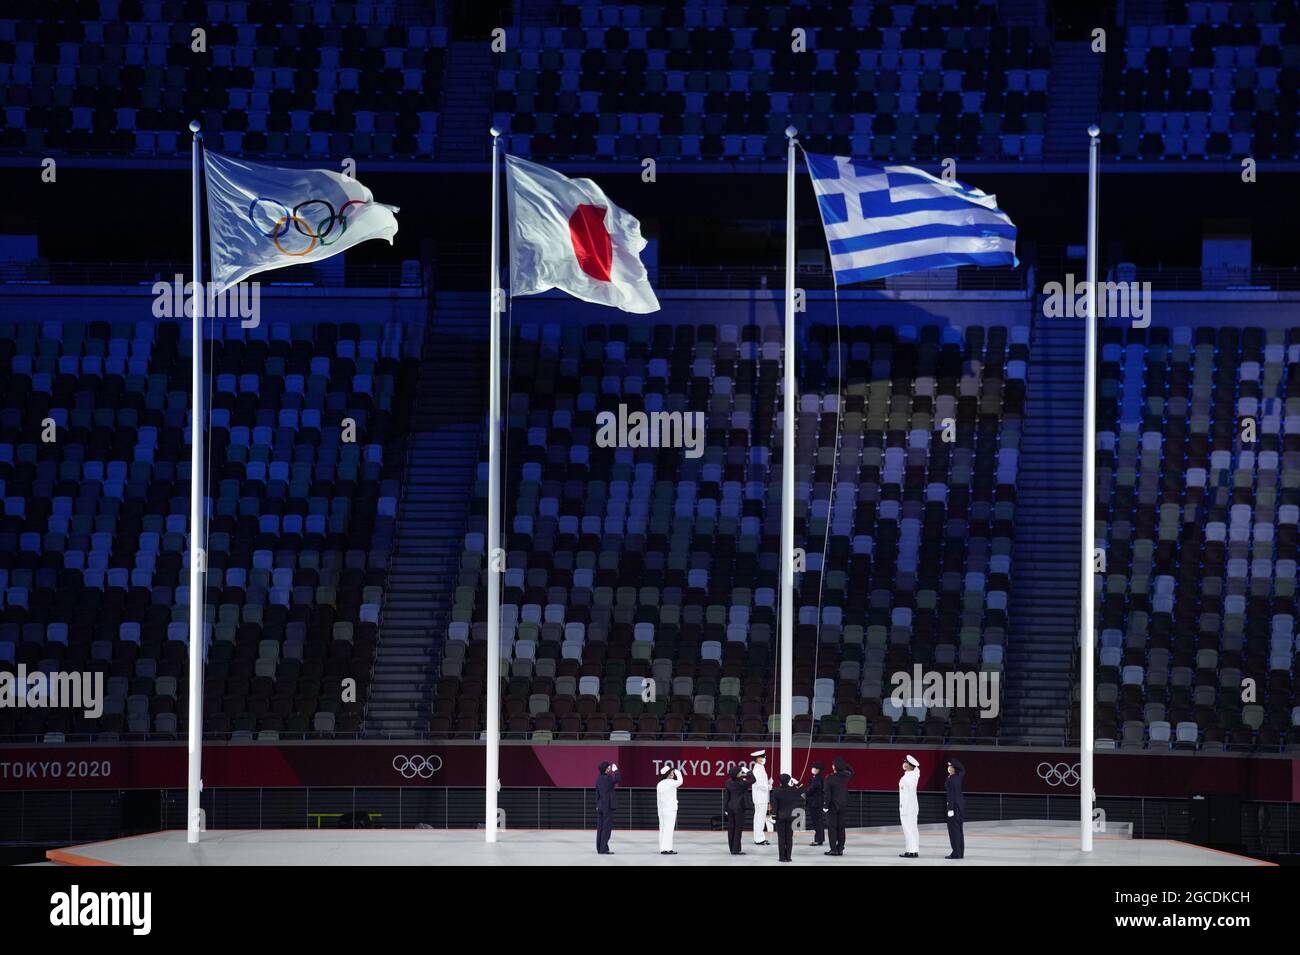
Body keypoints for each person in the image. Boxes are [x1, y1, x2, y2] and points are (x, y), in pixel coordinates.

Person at [770, 773, 804, 863]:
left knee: (781, 837)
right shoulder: (793, 790)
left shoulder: (776, 791)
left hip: (780, 817)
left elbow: (774, 805)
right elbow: (801, 787)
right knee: (789, 837)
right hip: (791, 816)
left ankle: (782, 857)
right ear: (789, 781)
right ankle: (788, 857)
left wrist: (774, 816)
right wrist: (796, 781)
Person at [823, 757, 853, 856]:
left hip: (832, 805)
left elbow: (827, 794)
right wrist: (845, 765)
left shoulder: (829, 778)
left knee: (832, 828)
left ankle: (833, 849)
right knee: (841, 827)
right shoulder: (846, 776)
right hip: (843, 804)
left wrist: (825, 806)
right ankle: (840, 848)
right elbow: (852, 770)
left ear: (835, 767)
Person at [656, 764, 685, 855]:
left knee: (663, 829)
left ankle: (663, 848)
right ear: (668, 774)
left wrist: (659, 811)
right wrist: (678, 771)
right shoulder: (671, 782)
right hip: (670, 809)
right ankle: (667, 849)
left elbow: (658, 799)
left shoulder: (659, 784)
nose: (673, 774)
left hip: (662, 810)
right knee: (669, 829)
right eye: (671, 772)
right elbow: (680, 781)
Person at [723, 765, 752, 855]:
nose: (741, 773)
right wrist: (748, 772)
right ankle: (736, 849)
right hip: (739, 808)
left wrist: (725, 808)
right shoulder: (741, 783)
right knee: (738, 829)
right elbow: (753, 779)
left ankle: (732, 848)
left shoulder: (728, 782)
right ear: (736, 774)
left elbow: (727, 796)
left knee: (731, 828)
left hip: (730, 807)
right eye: (740, 772)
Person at [595, 761, 620, 855]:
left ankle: (599, 848)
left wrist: (597, 805)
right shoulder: (609, 778)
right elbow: (618, 778)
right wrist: (616, 770)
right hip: (608, 806)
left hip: (600, 805)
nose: (610, 768)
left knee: (600, 828)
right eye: (609, 767)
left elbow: (597, 793)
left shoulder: (598, 779)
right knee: (606, 829)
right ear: (606, 769)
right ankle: (604, 849)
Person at [898, 754, 921, 858]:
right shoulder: (914, 774)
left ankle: (911, 851)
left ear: (909, 765)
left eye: (906, 763)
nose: (904, 764)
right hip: (912, 806)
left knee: (908, 829)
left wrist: (904, 807)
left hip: (907, 807)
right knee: (913, 829)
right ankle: (913, 850)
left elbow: (908, 793)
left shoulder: (908, 777)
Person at [749, 750, 771, 846]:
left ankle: (760, 838)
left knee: (760, 818)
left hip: (762, 797)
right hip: (760, 798)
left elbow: (762, 782)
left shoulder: (761, 767)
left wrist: (769, 782)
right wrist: (768, 787)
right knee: (759, 818)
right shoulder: (758, 769)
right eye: (763, 757)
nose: (765, 759)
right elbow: (758, 783)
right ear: (758, 759)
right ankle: (758, 839)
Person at [945, 757, 965, 860]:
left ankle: (956, 853)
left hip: (954, 807)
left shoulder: (951, 779)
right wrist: (956, 763)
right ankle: (960, 852)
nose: (948, 768)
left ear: (953, 768)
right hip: (960, 807)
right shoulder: (958, 777)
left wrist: (950, 809)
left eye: (950, 766)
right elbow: (962, 770)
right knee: (959, 830)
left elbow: (951, 795)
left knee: (954, 832)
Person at [805, 762, 826, 846]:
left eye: (815, 768)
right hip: (817, 802)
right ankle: (820, 839)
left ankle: (818, 840)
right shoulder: (818, 778)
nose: (813, 769)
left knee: (817, 822)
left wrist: (804, 794)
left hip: (815, 803)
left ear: (818, 770)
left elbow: (812, 789)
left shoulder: (817, 779)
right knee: (819, 821)